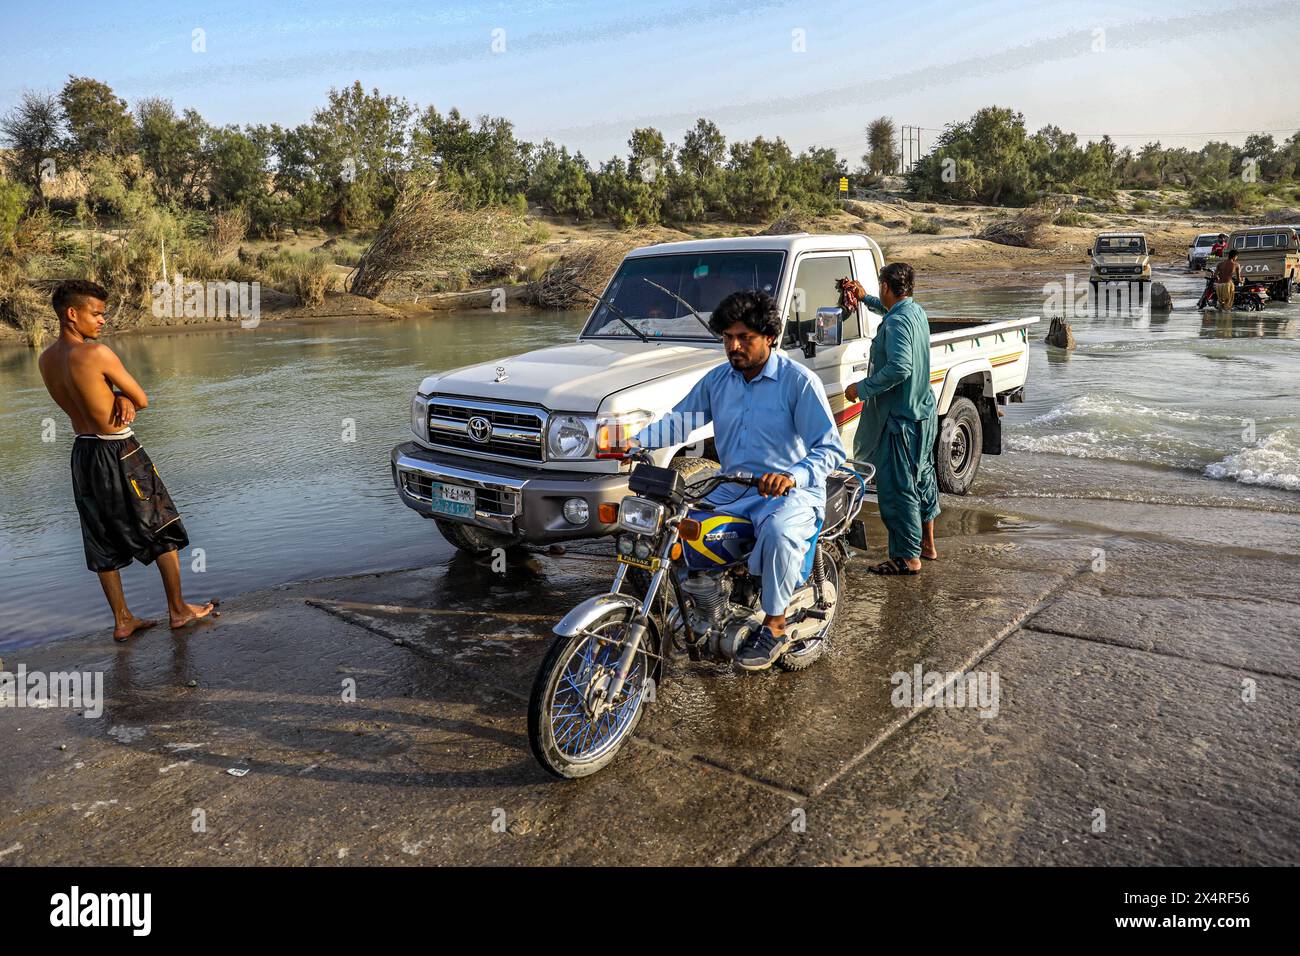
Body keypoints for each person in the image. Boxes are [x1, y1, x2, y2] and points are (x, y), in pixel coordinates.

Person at [629, 290, 845, 671]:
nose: (734, 346)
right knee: (679, 529)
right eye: (728, 337)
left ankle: (776, 627)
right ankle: (706, 606)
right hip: (731, 487)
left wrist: (790, 477)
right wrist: (635, 442)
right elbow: (681, 420)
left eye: (745, 337)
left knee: (778, 534)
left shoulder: (799, 382)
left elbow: (830, 450)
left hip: (789, 493)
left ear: (770, 337)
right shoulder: (718, 380)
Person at [38, 279, 217, 641]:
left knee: (99, 535)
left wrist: (116, 394)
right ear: (72, 314)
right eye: (97, 313)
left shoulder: (46, 360)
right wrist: (124, 395)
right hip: (119, 449)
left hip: (84, 452)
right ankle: (178, 610)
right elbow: (143, 398)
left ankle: (123, 619)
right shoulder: (97, 354)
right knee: (160, 524)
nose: (103, 320)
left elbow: (85, 394)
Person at [842, 263, 939, 575]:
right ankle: (927, 544)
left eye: (878, 286)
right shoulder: (914, 312)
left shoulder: (897, 323)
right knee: (922, 479)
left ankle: (907, 557)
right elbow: (891, 316)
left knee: (898, 490)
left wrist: (862, 388)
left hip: (901, 421)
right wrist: (866, 298)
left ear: (886, 286)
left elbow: (900, 368)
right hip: (922, 413)